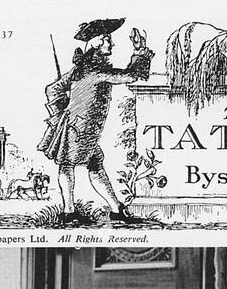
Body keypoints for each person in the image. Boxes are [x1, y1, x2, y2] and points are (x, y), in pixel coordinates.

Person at [38, 17, 150, 222]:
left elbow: (53, 88)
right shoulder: (96, 70)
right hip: (78, 130)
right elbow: (131, 76)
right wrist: (140, 52)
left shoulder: (83, 69)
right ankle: (69, 212)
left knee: (91, 165)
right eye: (107, 39)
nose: (112, 43)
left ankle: (115, 209)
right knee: (70, 164)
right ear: (97, 42)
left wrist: (62, 109)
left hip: (82, 128)